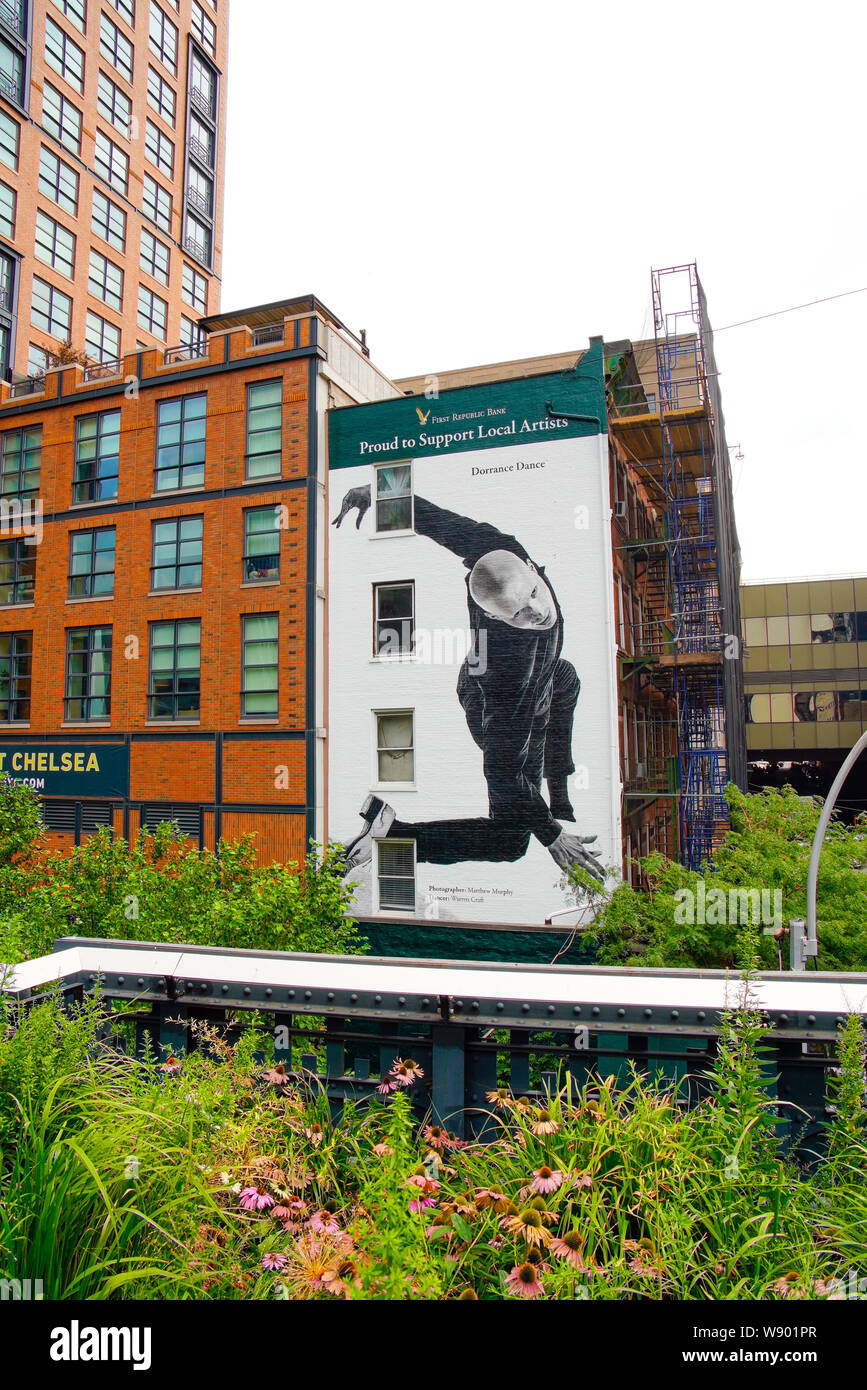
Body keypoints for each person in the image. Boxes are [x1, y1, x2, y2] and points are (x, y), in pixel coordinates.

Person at [333, 482, 604, 882]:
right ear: (498, 619)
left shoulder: (501, 551)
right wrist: (550, 835)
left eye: (532, 594)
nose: (538, 612)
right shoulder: (509, 677)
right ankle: (390, 837)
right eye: (519, 615)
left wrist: (381, 496)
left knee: (564, 678)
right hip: (494, 703)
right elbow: (500, 770)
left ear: (528, 567)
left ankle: (558, 797)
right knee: (510, 842)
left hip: (522, 679)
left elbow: (444, 525)